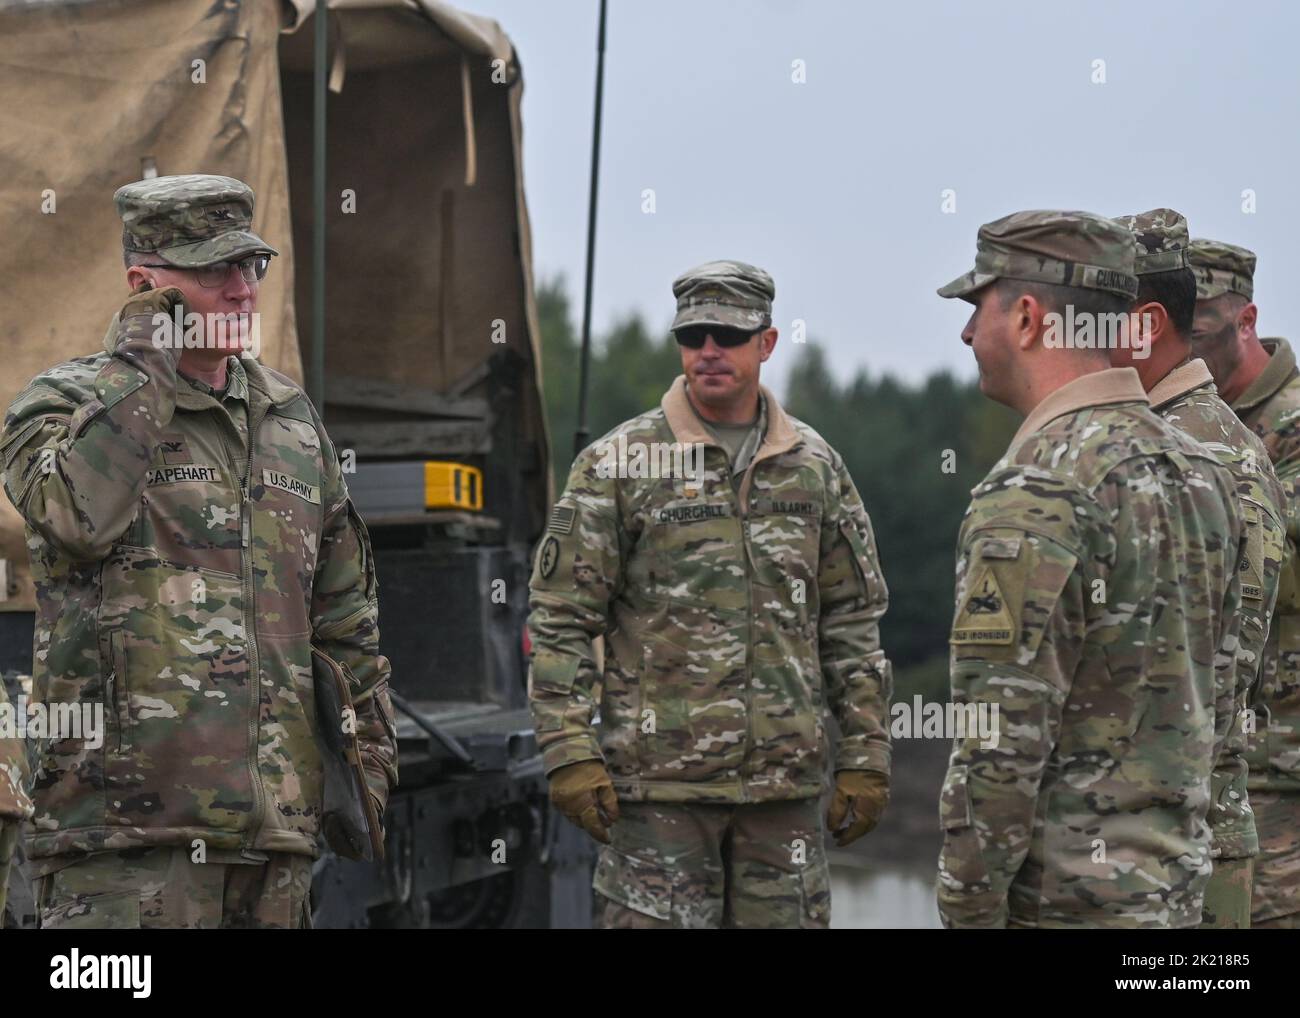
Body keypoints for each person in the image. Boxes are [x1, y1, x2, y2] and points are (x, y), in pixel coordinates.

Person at [0, 173, 397, 928]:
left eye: (250, 266)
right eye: (214, 269)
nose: (241, 288)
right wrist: (147, 361)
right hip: (123, 845)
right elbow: (76, 517)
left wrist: (364, 766)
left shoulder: (290, 421)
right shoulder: (64, 403)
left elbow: (345, 616)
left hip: (273, 843)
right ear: (145, 286)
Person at [527, 260, 892, 928]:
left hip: (782, 799)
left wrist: (867, 756)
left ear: (768, 343)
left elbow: (852, 622)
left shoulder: (814, 469)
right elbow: (561, 620)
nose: (709, 352)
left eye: (728, 334)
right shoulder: (620, 464)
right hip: (658, 796)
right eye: (694, 336)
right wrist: (569, 753)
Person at [935, 209, 1242, 927]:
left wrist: (966, 911)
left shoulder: (1035, 490)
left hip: (1067, 906)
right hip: (1173, 903)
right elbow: (1221, 710)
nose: (966, 332)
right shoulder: (1203, 473)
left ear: (1030, 316)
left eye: (976, 306)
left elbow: (997, 754)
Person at [1110, 210, 1284, 928]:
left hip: (1175, 846)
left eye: (1089, 319)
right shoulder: (1186, 436)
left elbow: (1195, 676)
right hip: (1179, 834)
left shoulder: (1192, 453)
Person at [1188, 237, 1300, 928]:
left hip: (1282, 758)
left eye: (1197, 332)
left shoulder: (1288, 424)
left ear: (1247, 322)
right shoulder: (1185, 422)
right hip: (1210, 756)